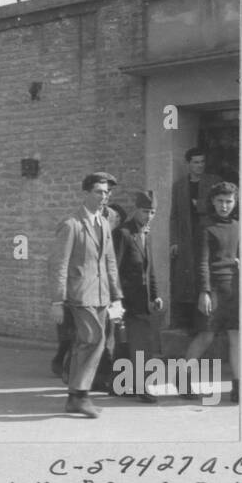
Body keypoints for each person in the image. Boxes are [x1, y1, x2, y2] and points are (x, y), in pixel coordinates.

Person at [49, 172, 124, 418]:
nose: (103, 197)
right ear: (86, 193)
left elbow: (110, 261)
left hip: (101, 294)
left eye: (106, 193)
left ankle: (77, 396)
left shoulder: (103, 223)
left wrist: (116, 295)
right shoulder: (71, 224)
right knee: (93, 339)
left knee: (92, 341)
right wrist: (57, 301)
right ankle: (79, 395)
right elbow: (59, 265)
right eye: (98, 192)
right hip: (79, 294)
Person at [183, 182, 240, 403]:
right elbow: (202, 263)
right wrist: (204, 292)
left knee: (236, 336)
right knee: (206, 335)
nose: (224, 206)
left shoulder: (238, 226)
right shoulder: (205, 227)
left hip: (234, 288)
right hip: (213, 289)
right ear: (213, 202)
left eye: (229, 201)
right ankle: (184, 380)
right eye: (220, 201)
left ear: (235, 203)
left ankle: (238, 387)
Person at [113, 191, 164, 402]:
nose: (149, 216)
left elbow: (149, 269)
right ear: (136, 210)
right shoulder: (123, 233)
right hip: (126, 300)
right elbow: (113, 268)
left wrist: (156, 295)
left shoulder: (146, 233)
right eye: (145, 211)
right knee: (137, 344)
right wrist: (116, 301)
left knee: (133, 343)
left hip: (143, 301)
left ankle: (120, 385)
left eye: (152, 212)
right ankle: (141, 387)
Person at [170, 148, 223, 332]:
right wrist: (174, 241)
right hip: (187, 237)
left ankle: (209, 322)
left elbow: (218, 206)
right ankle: (191, 323)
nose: (200, 166)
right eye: (196, 162)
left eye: (202, 162)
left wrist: (198, 204)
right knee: (187, 279)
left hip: (207, 234)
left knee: (206, 274)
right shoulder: (179, 185)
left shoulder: (213, 181)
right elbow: (174, 215)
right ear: (188, 164)